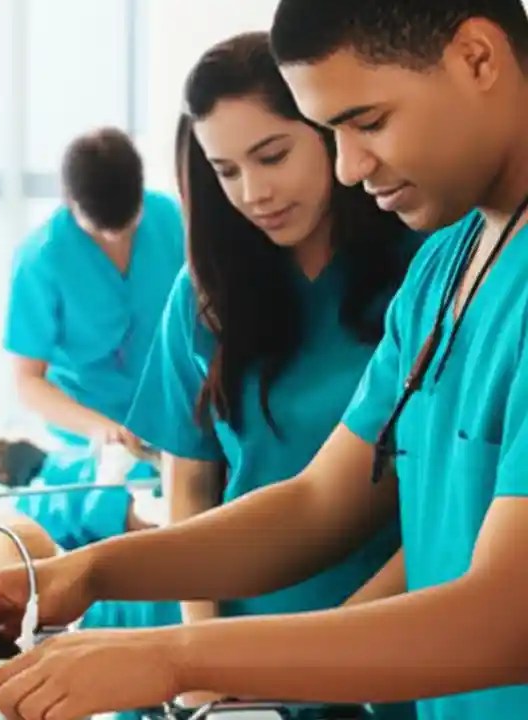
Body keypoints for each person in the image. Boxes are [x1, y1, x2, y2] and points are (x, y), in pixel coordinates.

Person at [0, 3, 528, 719]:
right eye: (332, 133)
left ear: (478, 59)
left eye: (367, 122)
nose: (348, 166)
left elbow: (503, 615)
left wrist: (176, 658)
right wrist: (84, 573)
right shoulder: (441, 272)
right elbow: (317, 504)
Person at [124, 29, 416, 650]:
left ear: (331, 131)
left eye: (273, 156)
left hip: (391, 638)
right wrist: (203, 648)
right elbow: (190, 488)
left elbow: (443, 505)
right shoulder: (205, 295)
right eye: (226, 171)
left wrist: (325, 651)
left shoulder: (425, 269)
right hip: (242, 651)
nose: (253, 194)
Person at [4, 127, 183, 546]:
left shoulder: (171, 220)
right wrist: (99, 429)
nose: (116, 238)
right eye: (100, 230)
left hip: (171, 415)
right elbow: (28, 381)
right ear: (70, 204)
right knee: (117, 501)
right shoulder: (41, 258)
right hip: (88, 433)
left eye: (127, 224)